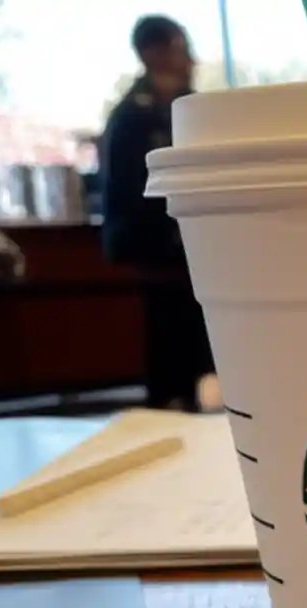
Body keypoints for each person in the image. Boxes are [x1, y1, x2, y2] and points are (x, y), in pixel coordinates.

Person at [101, 16, 214, 409]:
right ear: (153, 53)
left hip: (192, 249)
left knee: (199, 344)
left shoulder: (189, 107)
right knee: (166, 343)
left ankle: (192, 402)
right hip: (157, 252)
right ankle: (170, 406)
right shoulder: (133, 116)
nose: (190, 59)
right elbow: (131, 192)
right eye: (180, 47)